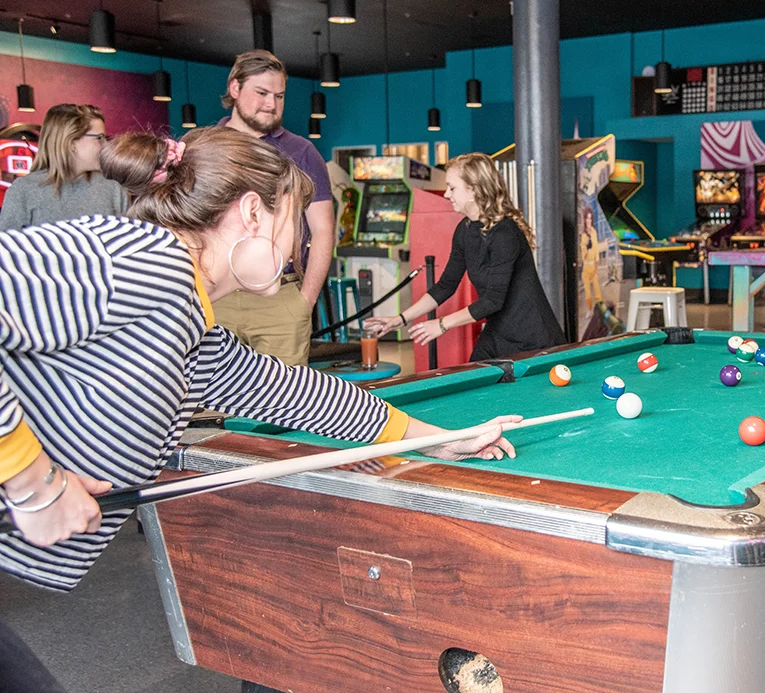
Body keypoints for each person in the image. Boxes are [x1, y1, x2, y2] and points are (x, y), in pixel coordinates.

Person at [0, 127, 521, 690]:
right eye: (295, 223)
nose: (299, 246)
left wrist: (434, 438)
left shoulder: (187, 314)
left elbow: (287, 390)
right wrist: (33, 482)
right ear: (253, 212)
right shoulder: (142, 261)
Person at [365, 152, 566, 360]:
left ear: (474, 189)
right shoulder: (465, 229)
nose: (446, 194)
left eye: (452, 188)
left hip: (533, 338)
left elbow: (493, 301)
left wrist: (442, 324)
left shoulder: (505, 234)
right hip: (498, 334)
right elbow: (446, 286)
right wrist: (400, 319)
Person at [213, 50, 336, 366]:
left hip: (281, 297)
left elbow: (323, 229)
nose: (271, 104)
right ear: (235, 88)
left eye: (279, 96)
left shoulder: (301, 151)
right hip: (216, 297)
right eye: (262, 93)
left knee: (286, 396)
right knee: (211, 395)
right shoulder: (205, 147)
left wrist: (305, 301)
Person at [0, 104, 128, 231]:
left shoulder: (114, 189)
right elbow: (6, 243)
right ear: (71, 142)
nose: (105, 145)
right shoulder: (24, 190)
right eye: (99, 138)